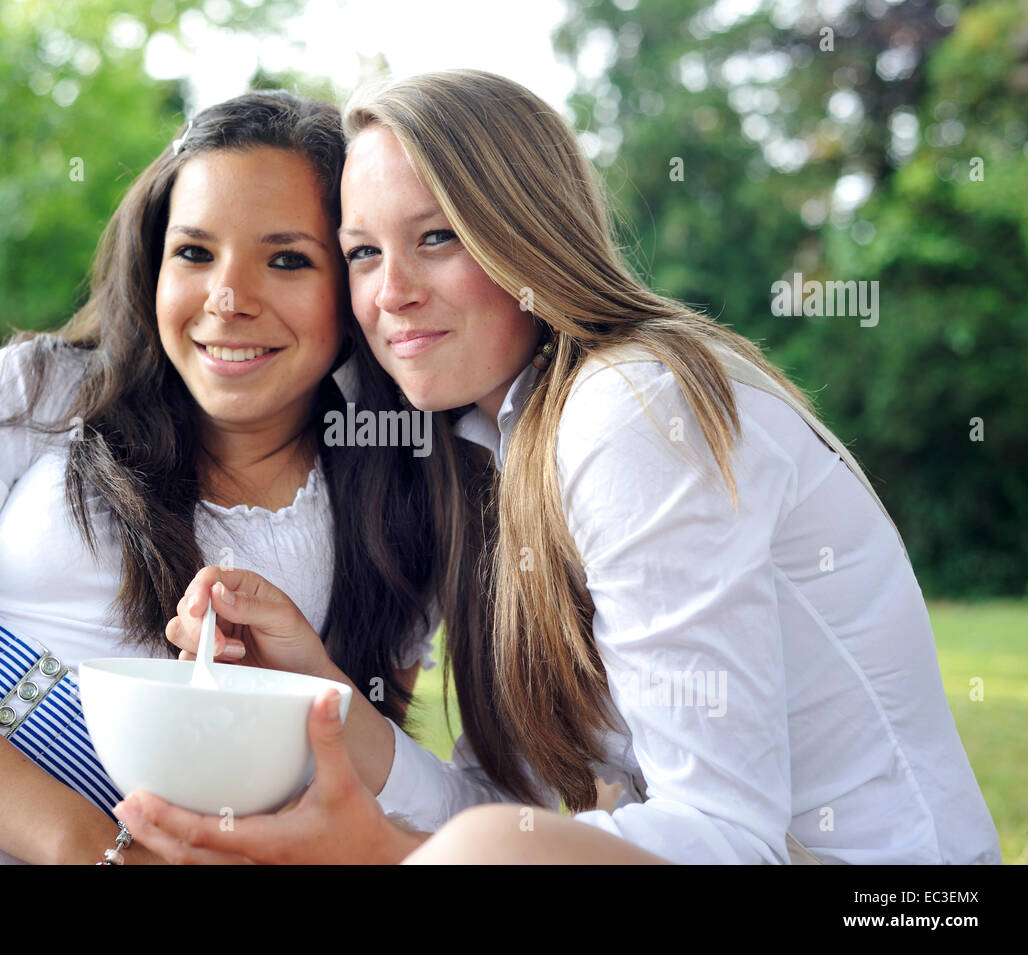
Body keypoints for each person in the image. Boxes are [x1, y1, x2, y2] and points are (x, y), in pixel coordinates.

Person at [121, 70, 1002, 865]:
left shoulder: (632, 405)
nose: (390, 293)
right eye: (362, 252)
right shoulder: (490, 447)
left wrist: (389, 856)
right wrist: (326, 695)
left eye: (437, 237)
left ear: (524, 236)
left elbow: (727, 832)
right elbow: (517, 813)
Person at [0, 90, 454, 864]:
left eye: (286, 259)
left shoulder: (393, 516)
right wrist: (84, 845)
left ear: (350, 288)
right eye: (195, 252)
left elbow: (355, 797)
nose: (228, 298)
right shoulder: (41, 392)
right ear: (153, 264)